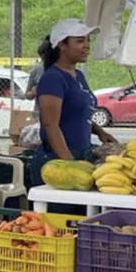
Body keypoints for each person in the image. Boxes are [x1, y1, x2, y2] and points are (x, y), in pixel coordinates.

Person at [30, 19, 116, 186]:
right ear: (62, 45)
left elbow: (77, 113)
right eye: (80, 41)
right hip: (58, 161)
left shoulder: (78, 75)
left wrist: (100, 132)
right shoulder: (52, 79)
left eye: (88, 40)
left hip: (79, 155)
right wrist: (70, 164)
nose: (87, 45)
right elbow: (50, 125)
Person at [25, 40, 46, 118]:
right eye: (43, 57)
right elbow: (27, 95)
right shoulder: (37, 70)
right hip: (39, 114)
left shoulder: (62, 71)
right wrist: (34, 92)